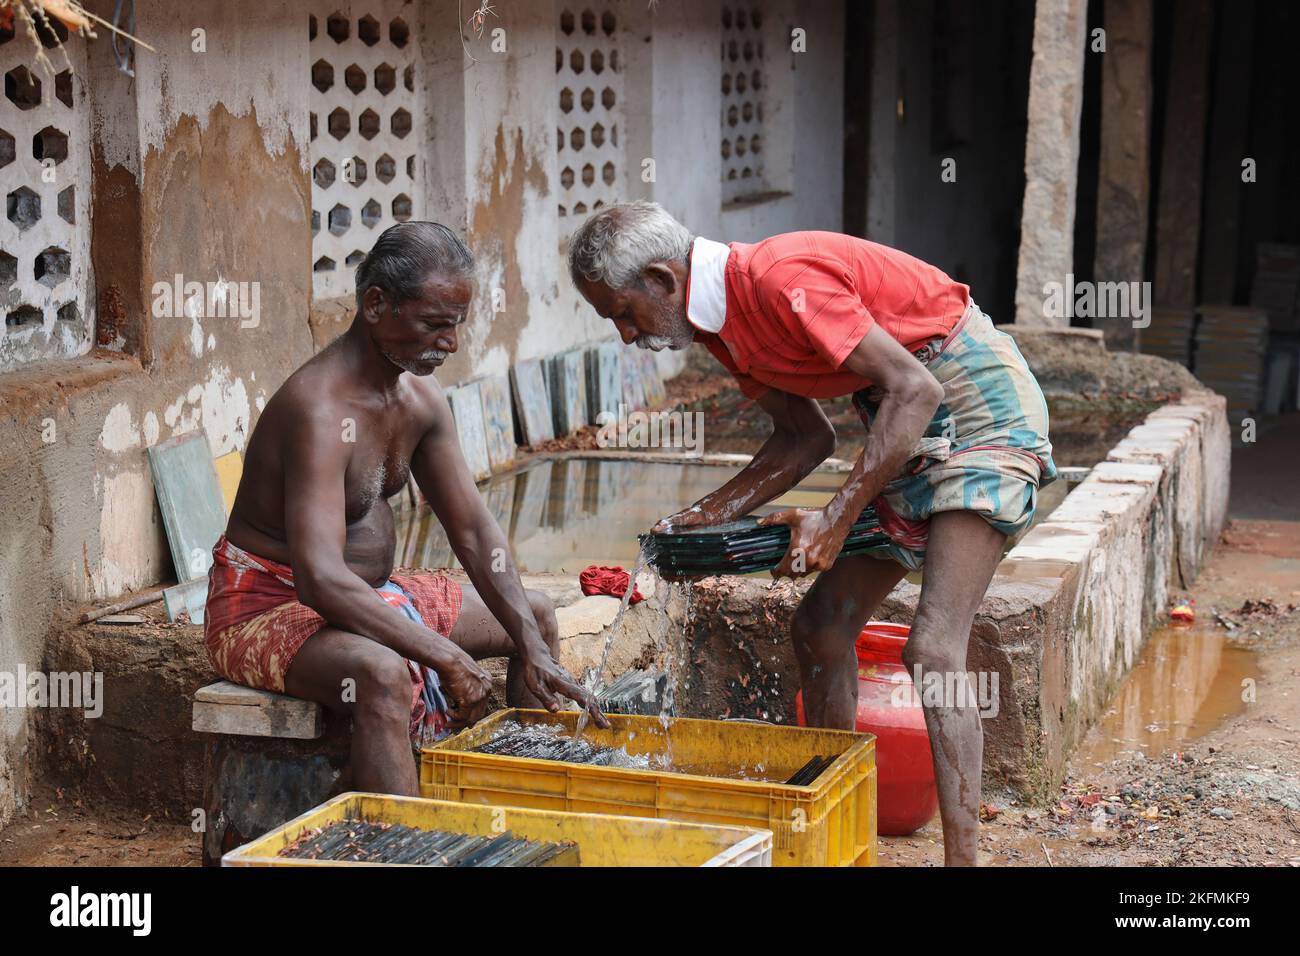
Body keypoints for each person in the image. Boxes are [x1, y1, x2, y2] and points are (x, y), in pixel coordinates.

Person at [568, 202, 1055, 865]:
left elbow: (918, 388)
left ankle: (963, 860)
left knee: (935, 647)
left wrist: (835, 517)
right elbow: (805, 437)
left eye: (624, 313)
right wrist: (701, 518)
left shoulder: (776, 277)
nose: (627, 335)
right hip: (900, 421)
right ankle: (836, 833)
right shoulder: (719, 329)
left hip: (973, 404)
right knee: (819, 628)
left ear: (661, 279)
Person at [205, 221, 607, 796]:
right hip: (263, 607)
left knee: (536, 616)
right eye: (435, 324)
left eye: (457, 325)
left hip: (365, 598)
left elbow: (472, 529)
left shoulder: (419, 398)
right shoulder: (318, 412)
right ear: (376, 305)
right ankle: (404, 848)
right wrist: (445, 655)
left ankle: (524, 807)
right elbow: (317, 581)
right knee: (382, 674)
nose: (451, 343)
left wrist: (532, 646)